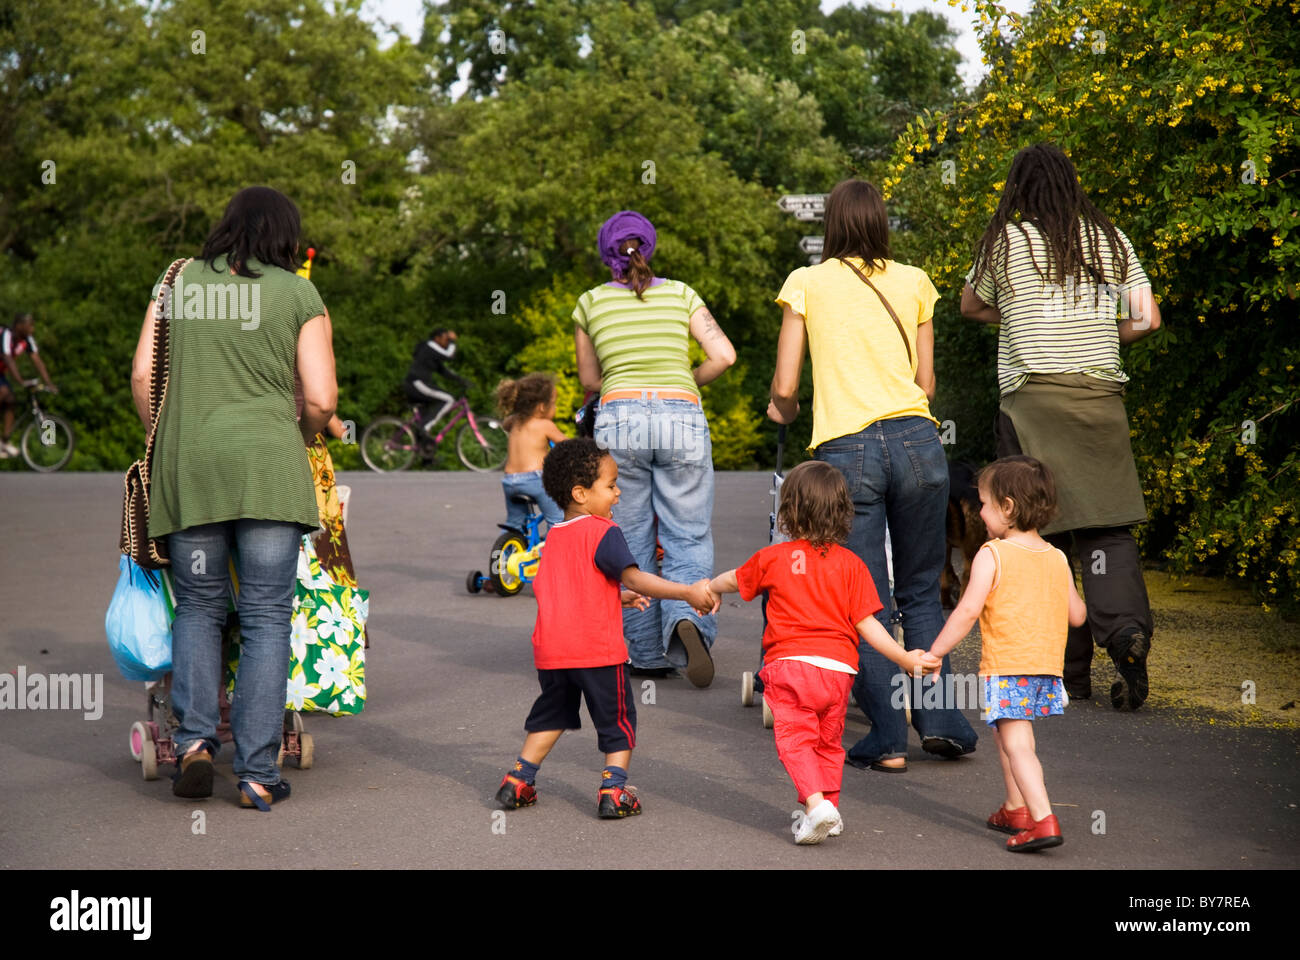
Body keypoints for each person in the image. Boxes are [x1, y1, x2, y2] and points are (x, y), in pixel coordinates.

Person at [132, 185, 337, 810]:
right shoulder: (297, 292)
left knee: (198, 607)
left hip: (191, 469)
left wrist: (167, 442)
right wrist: (295, 439)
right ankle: (254, 773)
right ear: (283, 233)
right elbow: (323, 400)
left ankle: (194, 744)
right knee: (268, 614)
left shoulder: (179, 282)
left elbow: (143, 375)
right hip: (269, 470)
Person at [769, 179, 978, 771]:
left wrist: (780, 409)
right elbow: (926, 384)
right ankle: (939, 721)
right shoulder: (913, 281)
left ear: (833, 224)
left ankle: (887, 738)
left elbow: (786, 385)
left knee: (862, 599)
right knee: (920, 588)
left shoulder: (806, 283)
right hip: (919, 444)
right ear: (882, 221)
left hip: (847, 450)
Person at [961, 142, 1162, 710]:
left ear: (1020, 190)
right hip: (1100, 402)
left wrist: (1020, 311)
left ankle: (1067, 673)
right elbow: (1148, 318)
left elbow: (969, 307)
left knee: (1036, 533)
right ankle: (1124, 631)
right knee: (1106, 529)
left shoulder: (1007, 241)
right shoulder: (1110, 239)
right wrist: (1100, 331)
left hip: (1031, 406)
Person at [708, 461, 938, 844]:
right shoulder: (852, 565)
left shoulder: (775, 557)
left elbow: (735, 579)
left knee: (794, 740)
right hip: (838, 671)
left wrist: (709, 587)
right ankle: (829, 808)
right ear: (843, 513)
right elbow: (868, 626)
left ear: (789, 511)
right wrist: (905, 658)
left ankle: (816, 806)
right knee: (828, 743)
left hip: (790, 666)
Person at [494, 438, 717, 818]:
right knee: (618, 720)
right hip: (596, 652)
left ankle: (518, 780)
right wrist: (686, 592)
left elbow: (563, 592)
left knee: (552, 715)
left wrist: (614, 598)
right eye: (611, 485)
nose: (618, 493)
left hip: (552, 654)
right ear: (581, 493)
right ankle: (614, 790)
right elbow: (637, 578)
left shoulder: (553, 539)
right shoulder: (602, 532)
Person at [575, 210, 736, 687]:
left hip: (620, 417)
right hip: (681, 415)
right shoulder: (682, 293)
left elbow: (588, 381)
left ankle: (644, 655)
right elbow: (723, 355)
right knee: (687, 536)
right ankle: (688, 621)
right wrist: (685, 383)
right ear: (651, 248)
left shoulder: (589, 303)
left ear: (608, 254)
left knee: (631, 538)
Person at [924, 456, 1087, 851]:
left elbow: (966, 610)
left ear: (1008, 508)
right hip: (1046, 668)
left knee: (1017, 743)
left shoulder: (991, 555)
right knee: (1006, 732)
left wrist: (935, 653)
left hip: (1008, 666)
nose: (978, 511)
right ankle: (1015, 807)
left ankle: (1043, 819)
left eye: (983, 503)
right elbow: (1078, 615)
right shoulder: (1056, 556)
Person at [496, 372, 567, 529]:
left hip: (510, 481)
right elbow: (566, 444)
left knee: (514, 524)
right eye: (554, 403)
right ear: (542, 407)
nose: (555, 407)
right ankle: (552, 552)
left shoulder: (514, 421)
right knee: (558, 520)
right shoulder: (544, 425)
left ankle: (504, 551)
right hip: (535, 480)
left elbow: (505, 424)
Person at [1, 312, 58, 457]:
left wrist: (49, 383)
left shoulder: (27, 340)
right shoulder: (6, 334)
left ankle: (4, 443)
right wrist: (20, 381)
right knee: (3, 392)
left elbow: (37, 360)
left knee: (11, 401)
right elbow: (7, 358)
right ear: (19, 325)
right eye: (30, 325)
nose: (32, 329)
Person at [403, 328, 469, 439]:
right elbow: (449, 355)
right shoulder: (430, 345)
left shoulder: (431, 354)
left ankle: (424, 449)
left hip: (417, 384)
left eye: (448, 340)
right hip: (417, 383)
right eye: (445, 339)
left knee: (427, 414)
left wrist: (460, 380)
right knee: (449, 399)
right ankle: (425, 427)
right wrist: (453, 341)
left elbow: (443, 371)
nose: (447, 342)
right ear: (436, 338)